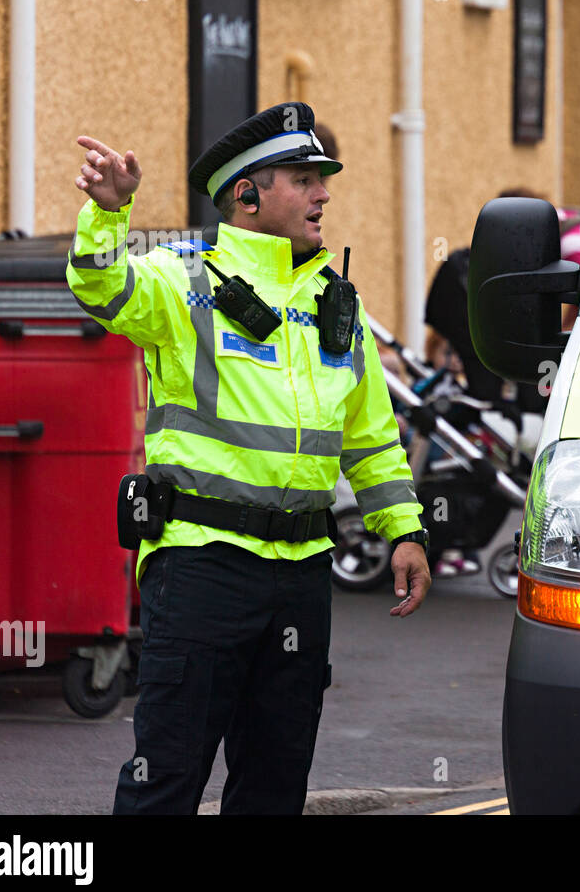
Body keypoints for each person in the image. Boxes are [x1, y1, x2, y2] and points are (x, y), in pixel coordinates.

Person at [67, 102, 432, 815]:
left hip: (300, 575)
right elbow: (102, 288)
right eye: (304, 178)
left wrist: (405, 532)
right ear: (249, 194)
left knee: (274, 785)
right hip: (204, 567)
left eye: (321, 179)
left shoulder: (339, 305)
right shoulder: (183, 283)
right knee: (167, 778)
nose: (323, 194)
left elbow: (370, 439)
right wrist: (111, 214)